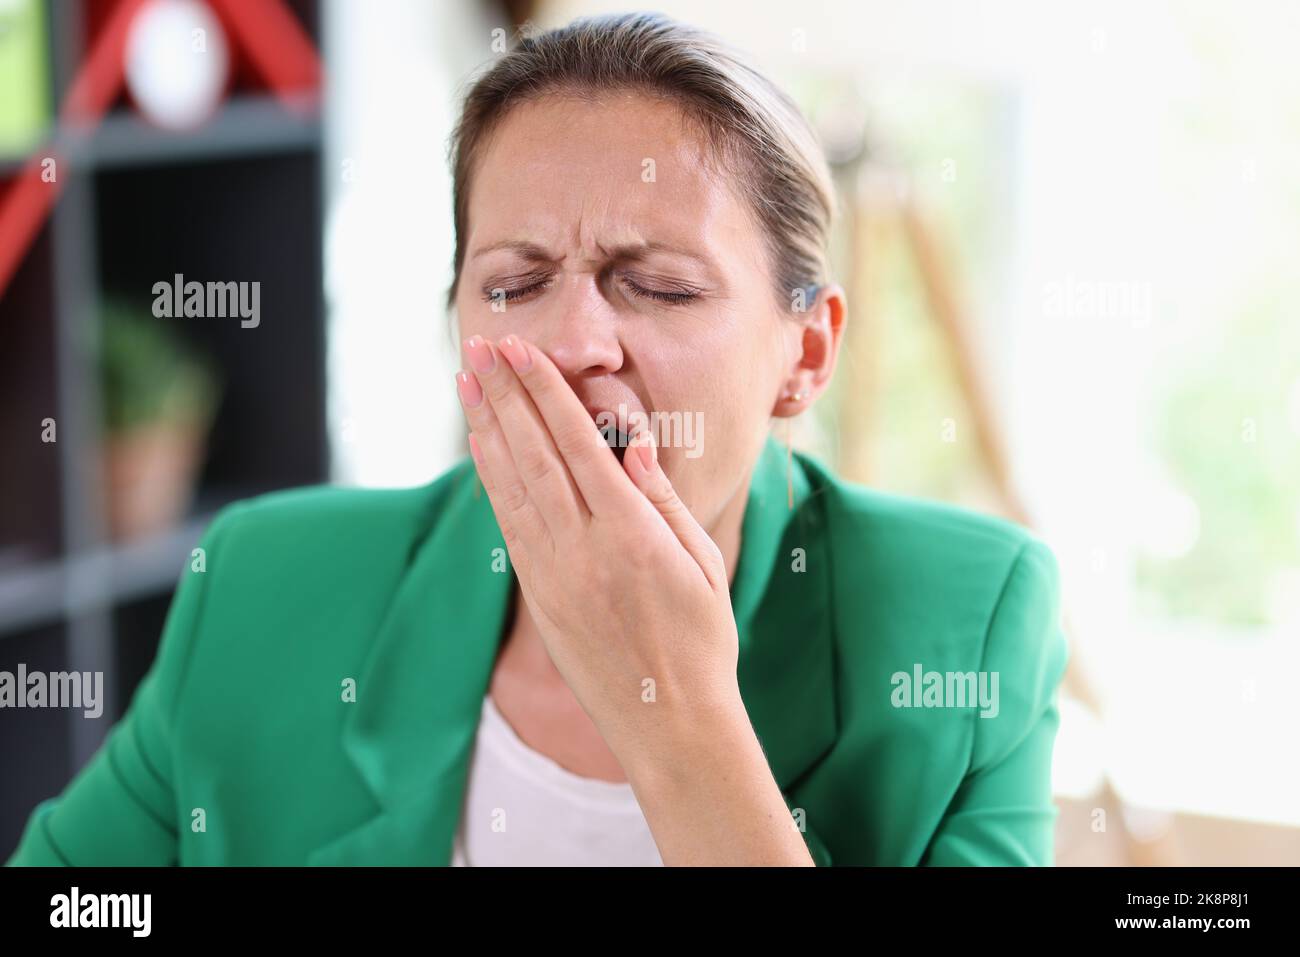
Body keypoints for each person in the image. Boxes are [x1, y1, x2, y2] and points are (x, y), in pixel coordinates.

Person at [6, 12, 1067, 867]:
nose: (569, 343)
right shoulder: (263, 579)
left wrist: (676, 714)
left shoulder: (967, 621)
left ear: (806, 355)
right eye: (513, 284)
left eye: (656, 285)